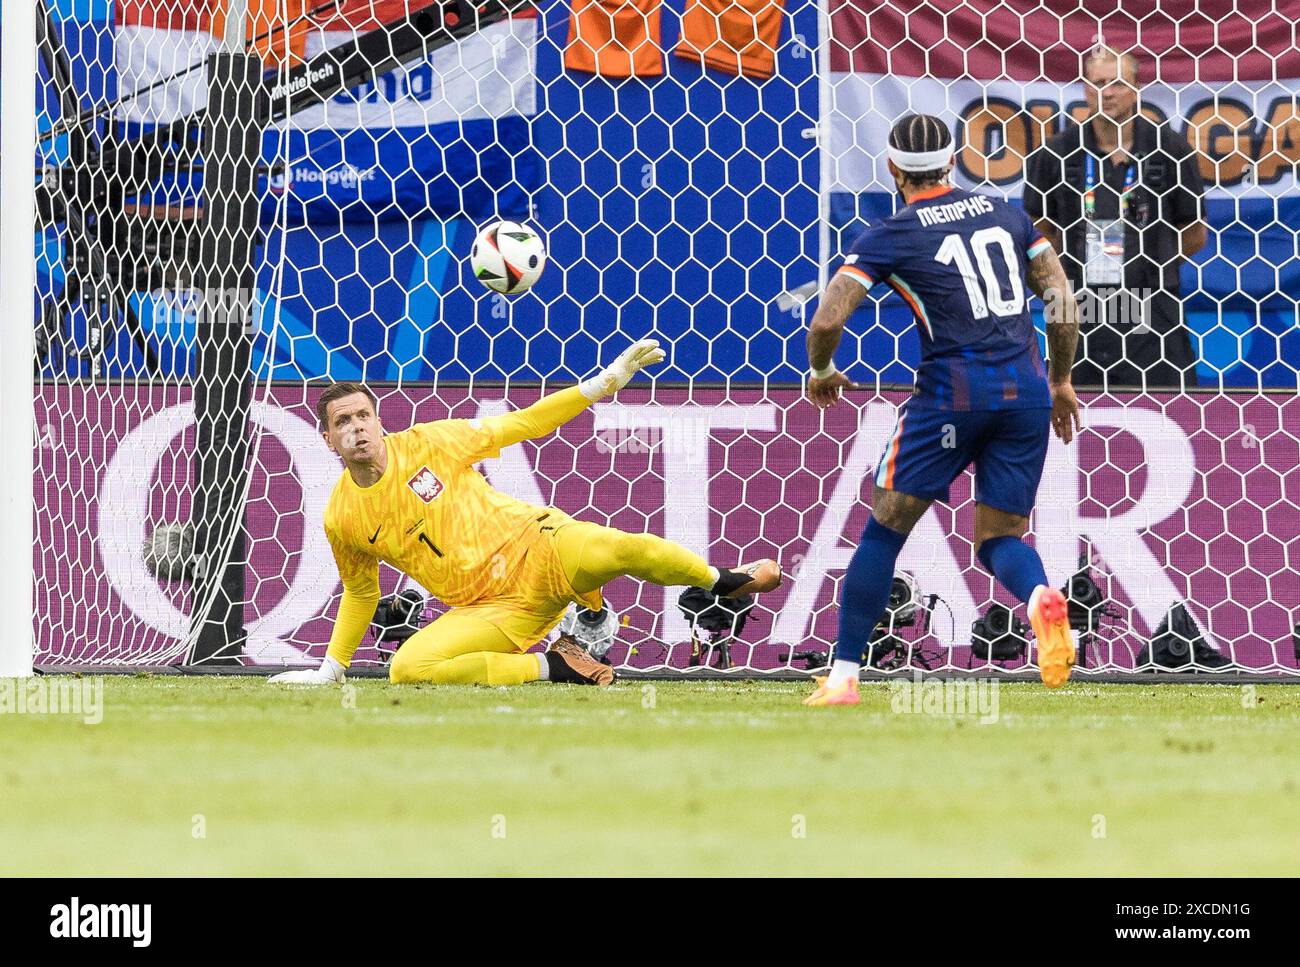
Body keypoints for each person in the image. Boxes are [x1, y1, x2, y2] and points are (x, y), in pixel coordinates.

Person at [269, 339, 781, 687]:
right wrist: (330, 669)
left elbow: (526, 423)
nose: (357, 428)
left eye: (364, 416)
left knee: (625, 548)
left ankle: (725, 580)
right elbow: (361, 592)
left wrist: (603, 383)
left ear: (380, 423)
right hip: (491, 609)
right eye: (343, 422)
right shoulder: (342, 516)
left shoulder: (432, 442)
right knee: (409, 669)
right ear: (327, 438)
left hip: (540, 547)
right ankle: (554, 667)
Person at [803, 113, 1082, 706]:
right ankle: (1040, 600)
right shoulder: (1007, 214)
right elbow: (1060, 293)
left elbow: (827, 317)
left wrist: (824, 370)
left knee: (884, 530)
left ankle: (844, 677)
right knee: (1000, 538)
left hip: (951, 397)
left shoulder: (890, 233)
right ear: (953, 163)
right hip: (1025, 392)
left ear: (893, 169)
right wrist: (1059, 380)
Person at [1024, 46, 1207, 390]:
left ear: (1136, 87)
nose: (1106, 93)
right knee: (1073, 415)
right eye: (1097, 83)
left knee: (1166, 407)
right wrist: (1066, 270)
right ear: (1084, 90)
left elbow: (1195, 233)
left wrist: (1148, 265)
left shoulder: (1170, 150)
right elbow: (1038, 228)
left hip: (1151, 310)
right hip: (1077, 307)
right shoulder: (1056, 153)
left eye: (1117, 84)